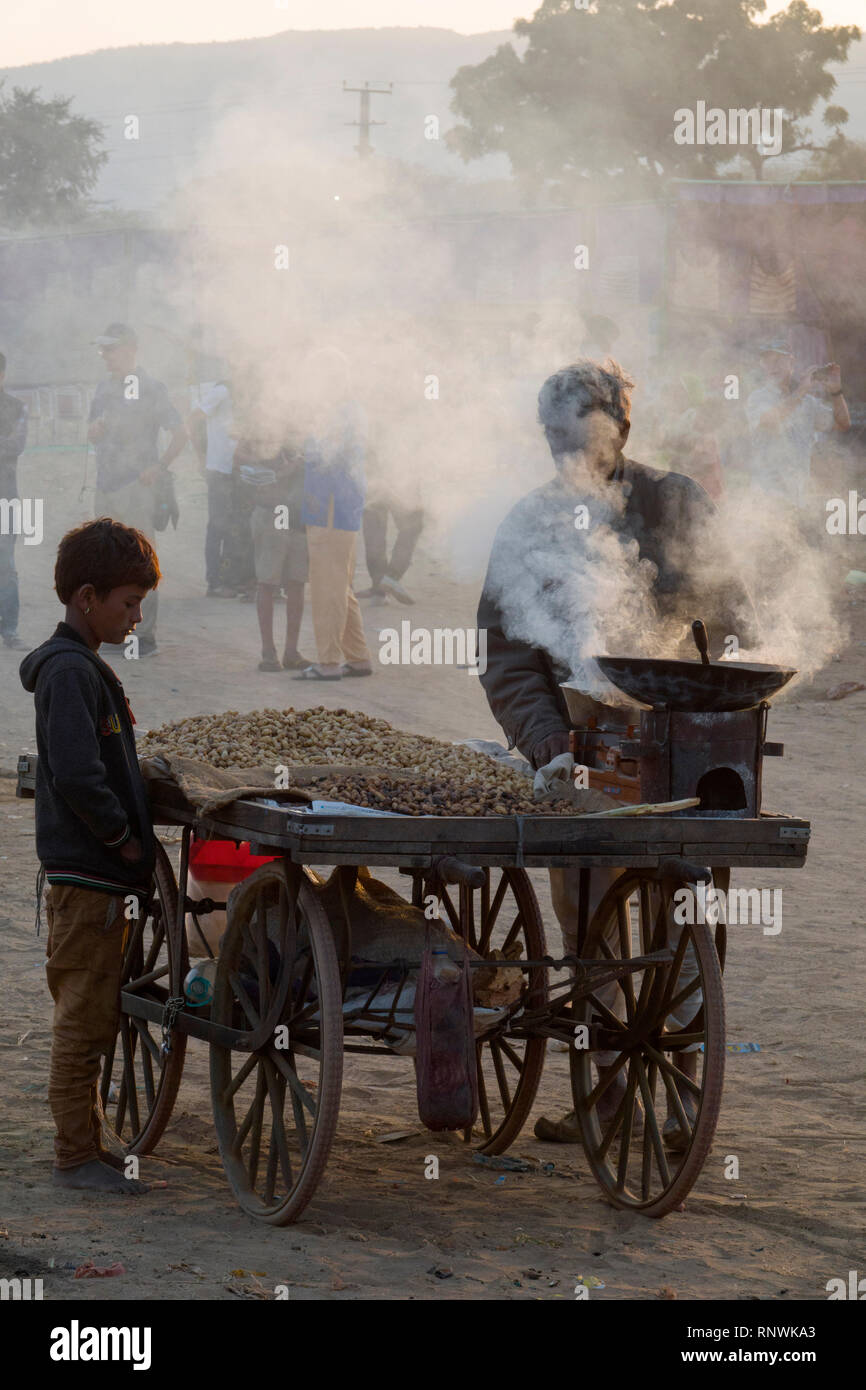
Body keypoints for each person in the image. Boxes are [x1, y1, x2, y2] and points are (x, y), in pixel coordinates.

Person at [477, 359, 755, 1146]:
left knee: (683, 917)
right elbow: (508, 658)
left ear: (622, 431)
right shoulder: (527, 523)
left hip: (675, 736)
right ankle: (606, 1089)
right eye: (553, 440)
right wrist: (542, 737)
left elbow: (734, 615)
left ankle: (679, 1088)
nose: (566, 456)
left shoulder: (674, 501)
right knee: (588, 923)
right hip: (582, 742)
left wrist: (713, 694)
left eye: (582, 439)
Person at [19, 518, 160, 1195]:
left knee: (97, 1015)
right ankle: (74, 1156)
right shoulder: (70, 673)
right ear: (85, 597)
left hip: (97, 879)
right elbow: (78, 773)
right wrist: (122, 839)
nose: (136, 616)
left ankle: (89, 1145)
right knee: (81, 1021)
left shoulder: (82, 668)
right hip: (88, 878)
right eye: (128, 602)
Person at [88, 323, 187, 655]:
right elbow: (91, 432)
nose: (104, 356)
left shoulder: (151, 388)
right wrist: (95, 430)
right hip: (107, 486)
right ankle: (115, 631)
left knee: (140, 561)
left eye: (110, 349)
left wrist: (159, 467)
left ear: (130, 349)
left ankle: (144, 636)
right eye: (101, 350)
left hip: (137, 488)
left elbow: (180, 433)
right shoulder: (103, 388)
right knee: (107, 561)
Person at [293, 349, 372, 681]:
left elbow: (319, 453)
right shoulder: (349, 409)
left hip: (329, 506)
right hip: (344, 506)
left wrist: (296, 443)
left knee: (327, 586)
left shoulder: (333, 413)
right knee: (340, 582)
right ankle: (357, 657)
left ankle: (328, 662)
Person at [236, 432, 311, 671]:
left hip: (297, 514)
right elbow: (238, 456)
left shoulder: (305, 425)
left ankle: (290, 651)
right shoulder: (263, 420)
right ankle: (268, 652)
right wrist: (282, 470)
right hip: (271, 510)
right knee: (267, 582)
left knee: (296, 583)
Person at [746, 338, 850, 511]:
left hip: (797, 500)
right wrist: (802, 389)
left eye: (778, 360)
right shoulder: (758, 398)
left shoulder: (808, 402)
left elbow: (843, 423)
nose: (772, 366)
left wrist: (836, 391)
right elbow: (770, 420)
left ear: (791, 362)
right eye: (767, 361)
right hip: (766, 501)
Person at [187, 374, 238, 597]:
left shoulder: (245, 394)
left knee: (234, 527)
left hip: (238, 469)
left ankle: (230, 580)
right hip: (218, 468)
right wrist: (201, 457)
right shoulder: (222, 390)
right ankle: (214, 582)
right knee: (218, 526)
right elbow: (193, 418)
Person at [0, 350, 29, 650]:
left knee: (5, 564)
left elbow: (14, 446)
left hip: (5, 498)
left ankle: (9, 629)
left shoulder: (16, 408)